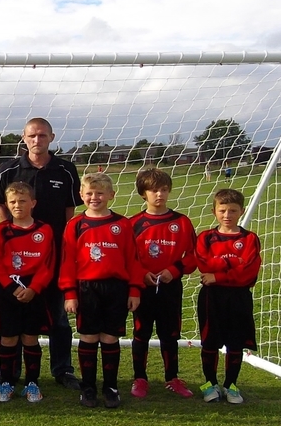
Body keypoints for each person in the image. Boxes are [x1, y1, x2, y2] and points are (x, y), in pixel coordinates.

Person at [0, 117, 82, 391]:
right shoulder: (8, 169)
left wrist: (58, 246)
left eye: (42, 135)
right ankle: (7, 371)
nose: (36, 140)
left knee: (58, 317)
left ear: (51, 137)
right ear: (24, 138)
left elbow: (68, 211)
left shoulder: (65, 169)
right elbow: (1, 208)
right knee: (13, 319)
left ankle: (62, 369)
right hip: (16, 260)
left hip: (50, 257)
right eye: (31, 136)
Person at [59, 172, 142, 409]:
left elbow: (133, 260)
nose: (94, 197)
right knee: (88, 337)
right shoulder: (75, 225)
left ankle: (111, 387)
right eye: (89, 193)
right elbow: (67, 262)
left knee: (109, 337)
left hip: (116, 288)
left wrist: (135, 289)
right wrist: (70, 293)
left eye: (100, 193)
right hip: (86, 288)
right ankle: (88, 388)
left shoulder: (122, 224)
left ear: (111, 195)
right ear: (81, 195)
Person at [128, 168, 197, 399]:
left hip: (170, 288)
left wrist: (174, 270)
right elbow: (128, 258)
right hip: (143, 287)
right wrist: (142, 273)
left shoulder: (182, 222)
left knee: (170, 334)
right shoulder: (134, 223)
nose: (160, 195)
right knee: (141, 333)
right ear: (143, 194)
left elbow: (193, 255)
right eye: (154, 190)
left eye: (164, 190)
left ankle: (172, 378)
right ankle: (140, 378)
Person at [0, 182, 56, 403]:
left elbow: (48, 264)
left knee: (30, 338)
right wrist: (11, 287)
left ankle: (32, 383)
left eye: (23, 201)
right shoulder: (1, 230)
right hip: (8, 292)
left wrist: (34, 288)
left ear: (33, 203)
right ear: (7, 205)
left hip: (34, 292)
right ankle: (7, 383)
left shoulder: (44, 230)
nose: (18, 205)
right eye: (13, 202)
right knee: (8, 339)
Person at [195, 188, 262, 404]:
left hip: (239, 297)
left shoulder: (250, 239)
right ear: (214, 211)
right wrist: (234, 262)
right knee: (210, 341)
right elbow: (204, 263)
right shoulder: (206, 237)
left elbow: (249, 273)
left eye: (232, 210)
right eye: (222, 210)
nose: (227, 215)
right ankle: (210, 384)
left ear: (241, 211)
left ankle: (231, 385)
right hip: (211, 297)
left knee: (236, 343)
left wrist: (217, 275)